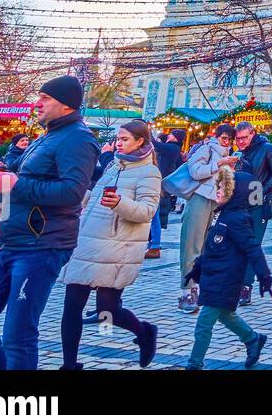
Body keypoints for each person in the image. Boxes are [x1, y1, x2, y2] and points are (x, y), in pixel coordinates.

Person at [0, 76, 99, 371]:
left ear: (66, 104)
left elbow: (72, 192)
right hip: (9, 240)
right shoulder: (47, 135)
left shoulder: (79, 139)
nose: (37, 104)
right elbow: (26, 178)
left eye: (44, 98)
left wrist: (14, 183)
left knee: (18, 337)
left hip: (41, 246)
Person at [59, 119, 161, 370]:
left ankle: (144, 332)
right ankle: (69, 365)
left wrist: (119, 203)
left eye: (125, 139)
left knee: (108, 310)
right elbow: (92, 199)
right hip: (87, 244)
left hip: (118, 248)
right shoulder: (113, 167)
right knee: (72, 305)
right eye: (118, 138)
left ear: (141, 141)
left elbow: (147, 211)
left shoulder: (150, 173)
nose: (119, 143)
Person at [184, 167, 272, 370]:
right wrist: (197, 269)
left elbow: (252, 248)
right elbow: (212, 247)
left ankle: (194, 364)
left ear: (235, 193)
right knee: (225, 314)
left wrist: (264, 275)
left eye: (222, 188)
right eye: (218, 186)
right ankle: (252, 339)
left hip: (226, 279)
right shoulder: (222, 214)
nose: (217, 191)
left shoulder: (237, 219)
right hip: (214, 276)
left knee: (204, 323)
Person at [224, 122, 272, 306]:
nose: (240, 141)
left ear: (253, 134)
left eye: (244, 138)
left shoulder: (267, 148)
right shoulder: (237, 152)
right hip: (238, 203)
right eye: (238, 138)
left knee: (252, 244)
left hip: (258, 203)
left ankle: (246, 286)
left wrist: (262, 190)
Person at [178, 123, 232, 313]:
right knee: (191, 245)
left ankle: (198, 287)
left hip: (215, 202)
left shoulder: (228, 155)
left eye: (229, 139)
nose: (227, 142)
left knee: (204, 247)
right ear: (216, 136)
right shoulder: (206, 149)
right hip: (200, 198)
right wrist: (218, 165)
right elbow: (195, 171)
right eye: (224, 138)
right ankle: (187, 291)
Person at [147, 130, 184, 258]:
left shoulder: (173, 148)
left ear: (177, 138)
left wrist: (148, 132)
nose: (169, 135)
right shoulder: (172, 148)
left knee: (154, 214)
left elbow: (156, 145)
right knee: (153, 213)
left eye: (172, 134)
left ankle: (155, 244)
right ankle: (152, 243)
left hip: (159, 184)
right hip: (158, 182)